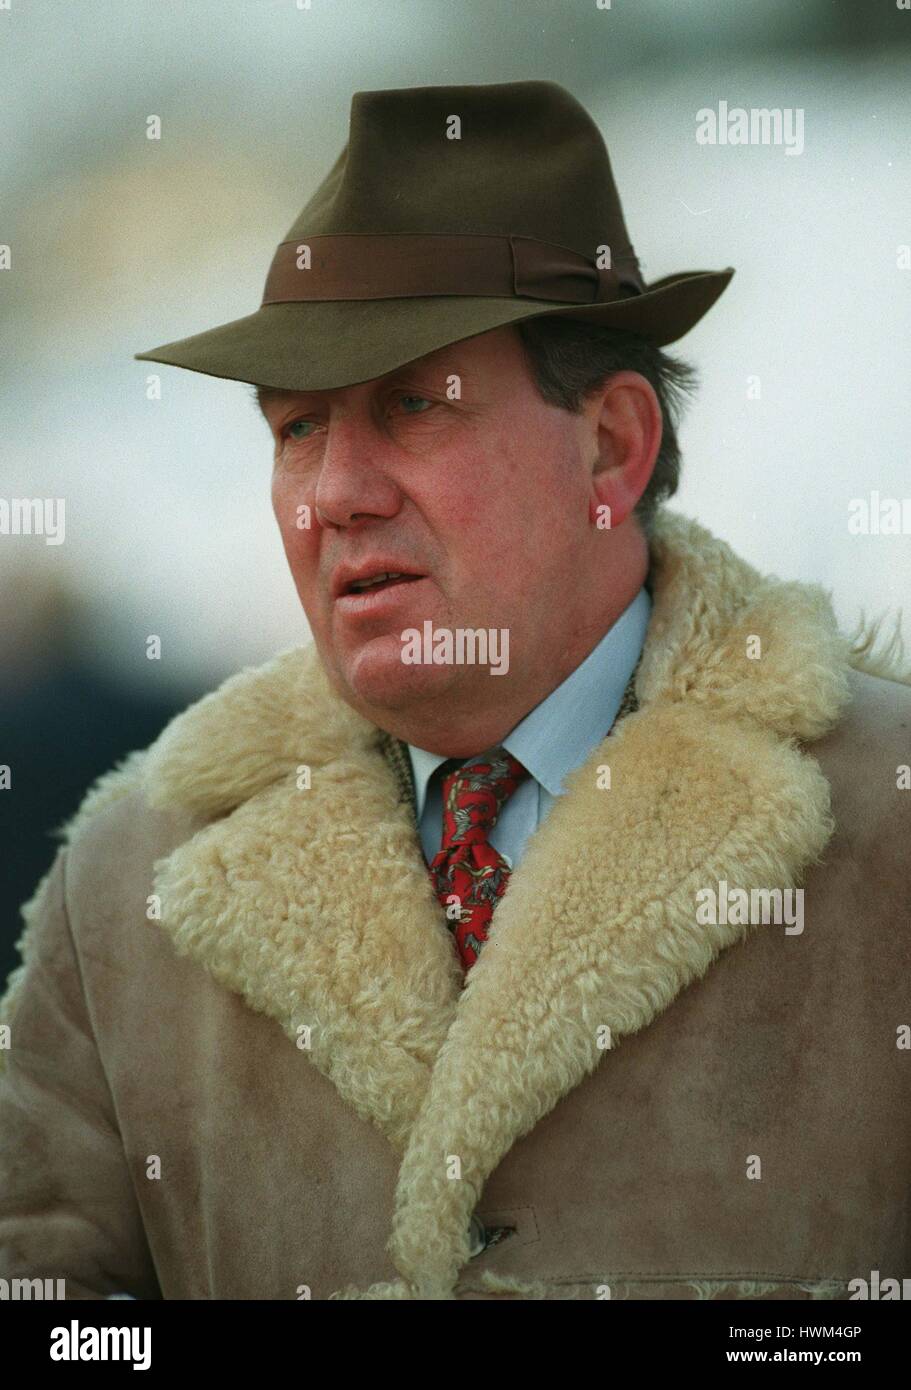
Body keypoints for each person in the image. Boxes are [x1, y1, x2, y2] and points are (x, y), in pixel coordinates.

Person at [1, 80, 908, 1302]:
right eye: (296, 429)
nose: (333, 493)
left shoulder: (884, 836)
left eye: (411, 406)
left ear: (610, 448)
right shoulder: (128, 889)